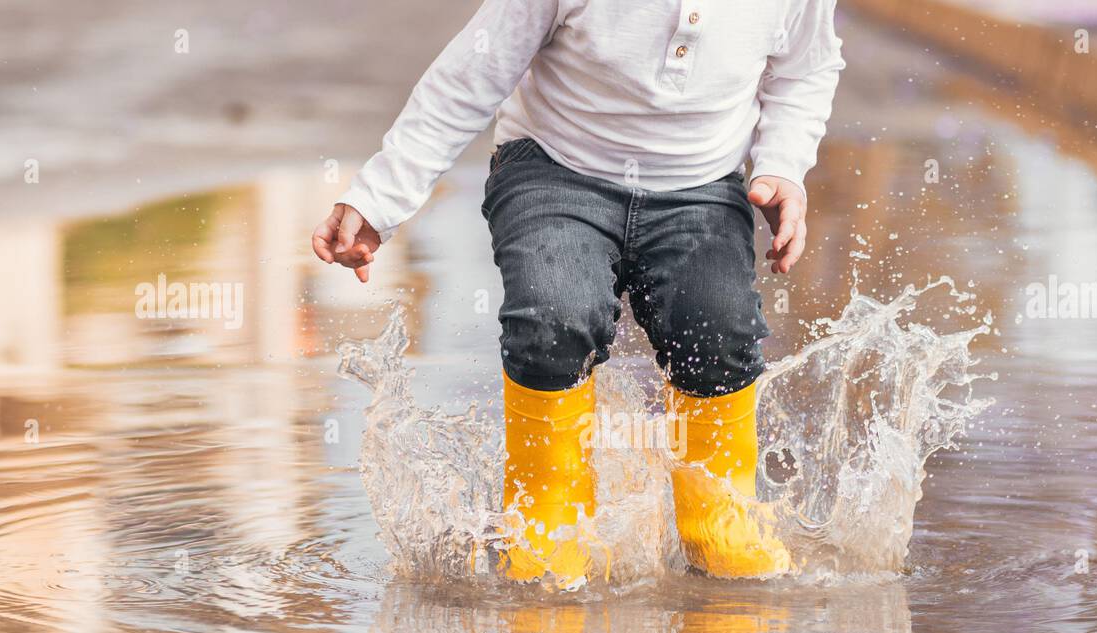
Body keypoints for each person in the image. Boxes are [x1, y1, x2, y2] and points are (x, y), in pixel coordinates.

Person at [312, 1, 844, 586]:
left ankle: (721, 523)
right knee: (553, 317)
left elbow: (805, 68)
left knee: (717, 330)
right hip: (555, 166)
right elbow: (471, 74)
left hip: (700, 182)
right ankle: (546, 525)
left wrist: (785, 165)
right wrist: (379, 200)